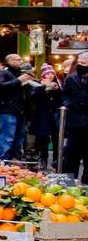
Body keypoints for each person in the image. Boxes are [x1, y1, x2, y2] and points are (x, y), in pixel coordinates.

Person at [0, 54, 37, 161]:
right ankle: (4, 160)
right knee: (7, 137)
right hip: (7, 110)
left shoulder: (19, 73)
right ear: (10, 61)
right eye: (18, 59)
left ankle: (16, 159)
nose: (21, 61)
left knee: (19, 137)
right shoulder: (2, 72)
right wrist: (19, 80)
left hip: (20, 110)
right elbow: (1, 86)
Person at [29, 64, 62, 169]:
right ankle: (43, 158)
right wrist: (44, 88)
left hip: (55, 116)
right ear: (43, 75)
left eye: (52, 73)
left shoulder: (58, 84)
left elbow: (61, 100)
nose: (50, 75)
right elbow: (33, 97)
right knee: (42, 139)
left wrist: (56, 91)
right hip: (42, 116)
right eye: (47, 73)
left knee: (57, 138)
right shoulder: (37, 84)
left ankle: (57, 160)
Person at [61, 52, 88, 180]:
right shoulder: (71, 78)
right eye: (80, 63)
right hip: (74, 122)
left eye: (84, 63)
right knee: (71, 154)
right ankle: (70, 182)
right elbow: (65, 95)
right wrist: (69, 104)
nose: (81, 65)